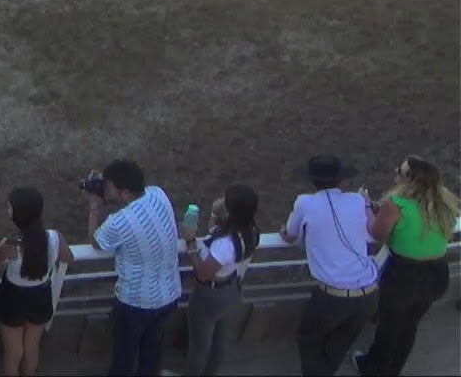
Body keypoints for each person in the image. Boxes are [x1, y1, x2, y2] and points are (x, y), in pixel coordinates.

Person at [353, 156, 459, 376]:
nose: (395, 171)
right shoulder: (442, 205)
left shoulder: (396, 205)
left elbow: (377, 233)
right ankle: (394, 369)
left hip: (404, 276)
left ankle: (374, 368)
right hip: (437, 274)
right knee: (410, 325)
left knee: (389, 327)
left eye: (400, 171)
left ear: (409, 180)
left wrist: (369, 210)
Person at [281, 156, 379, 377]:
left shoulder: (304, 203)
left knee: (308, 339)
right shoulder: (356, 200)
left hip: (333, 296)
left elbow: (290, 234)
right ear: (340, 180)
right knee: (339, 343)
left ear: (312, 182)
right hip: (369, 292)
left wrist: (285, 233)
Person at [85, 159, 182, 377]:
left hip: (136, 303)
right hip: (169, 294)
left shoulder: (119, 222)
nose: (105, 189)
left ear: (125, 193)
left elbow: (95, 241)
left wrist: (94, 206)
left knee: (124, 359)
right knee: (151, 355)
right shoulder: (158, 194)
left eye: (109, 186)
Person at [0, 187, 74, 377]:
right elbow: (69, 258)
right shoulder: (54, 237)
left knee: (14, 351)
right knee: (31, 347)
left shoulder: (13, 244)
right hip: (41, 295)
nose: (7, 210)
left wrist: (1, 244)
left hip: (13, 298)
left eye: (9, 208)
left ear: (18, 215)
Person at [182, 184, 260, 377]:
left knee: (199, 347)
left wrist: (190, 241)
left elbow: (203, 273)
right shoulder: (251, 231)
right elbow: (215, 230)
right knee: (218, 340)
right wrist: (215, 213)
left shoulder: (225, 244)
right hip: (232, 289)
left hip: (210, 295)